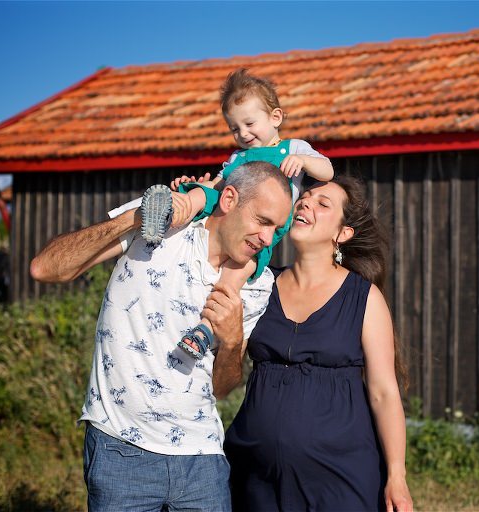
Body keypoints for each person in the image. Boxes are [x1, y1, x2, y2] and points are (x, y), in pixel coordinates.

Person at [29, 161, 292, 512]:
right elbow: (45, 268)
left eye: (276, 230)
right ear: (229, 199)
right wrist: (135, 219)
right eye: (262, 221)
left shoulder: (258, 283)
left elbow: (223, 387)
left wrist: (231, 341)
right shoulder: (161, 220)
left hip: (203, 461)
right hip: (121, 450)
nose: (267, 238)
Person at [213, 174, 414, 511]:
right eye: (305, 198)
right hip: (257, 478)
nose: (305, 203)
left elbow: (384, 392)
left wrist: (397, 475)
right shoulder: (261, 284)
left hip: (340, 479)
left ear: (342, 234)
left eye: (323, 204)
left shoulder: (364, 298)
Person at [139, 68, 335, 360]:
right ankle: (171, 212)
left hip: (261, 230)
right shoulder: (237, 158)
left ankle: (204, 329)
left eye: (249, 123)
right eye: (234, 128)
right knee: (202, 192)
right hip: (230, 212)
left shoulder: (291, 148)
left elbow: (328, 170)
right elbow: (218, 184)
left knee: (238, 271)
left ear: (275, 118)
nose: (243, 134)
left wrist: (303, 160)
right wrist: (193, 188)